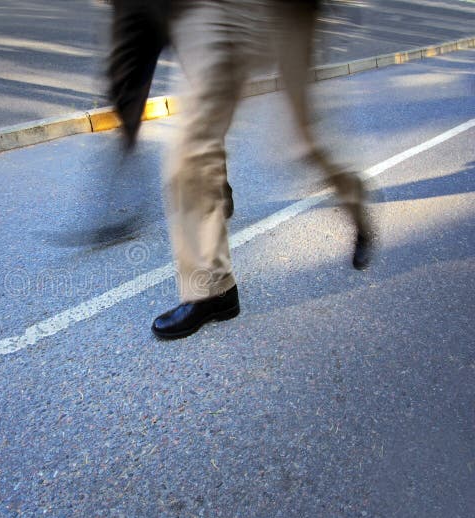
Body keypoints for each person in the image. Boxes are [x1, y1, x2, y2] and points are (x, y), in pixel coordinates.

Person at [108, 0, 372, 339]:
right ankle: (212, 291)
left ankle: (354, 199)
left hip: (283, 10)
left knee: (301, 144)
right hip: (206, 8)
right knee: (190, 147)